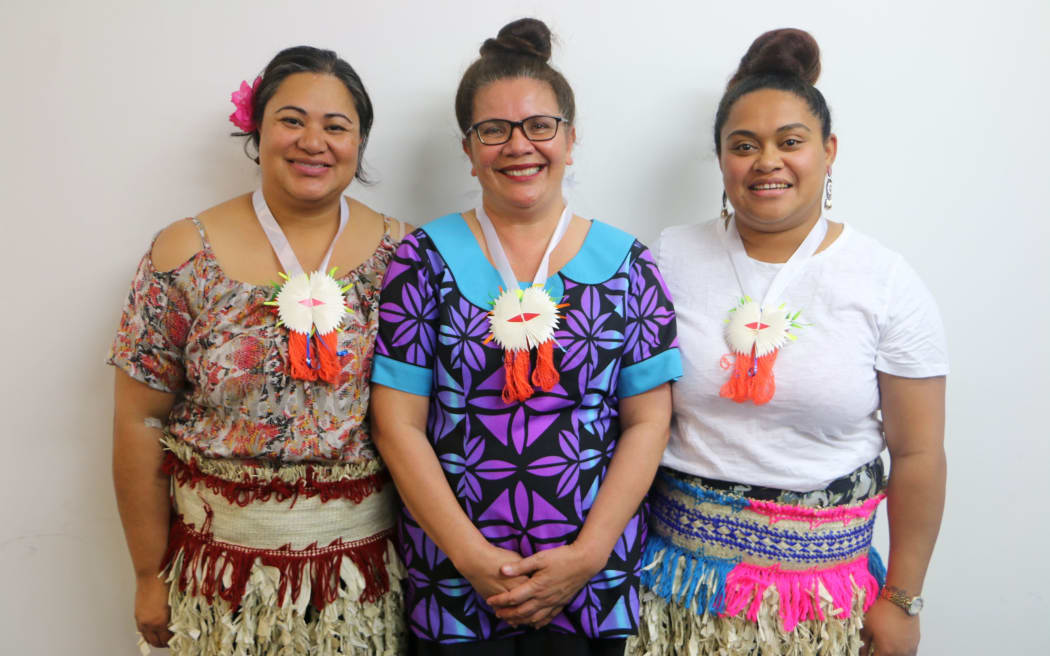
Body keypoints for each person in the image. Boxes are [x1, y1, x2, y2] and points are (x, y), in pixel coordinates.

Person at [630, 28, 948, 656]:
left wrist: (904, 601)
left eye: (790, 142)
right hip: (674, 591)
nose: (766, 161)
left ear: (828, 152)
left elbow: (919, 456)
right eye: (743, 145)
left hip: (824, 606)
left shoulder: (884, 281)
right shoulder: (666, 258)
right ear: (721, 158)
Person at [370, 18, 682, 656]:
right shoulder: (423, 259)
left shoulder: (628, 265)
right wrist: (472, 557)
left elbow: (649, 422)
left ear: (571, 137)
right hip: (456, 580)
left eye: (540, 126)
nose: (520, 146)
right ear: (468, 147)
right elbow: (397, 424)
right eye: (494, 130)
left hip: (590, 583)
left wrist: (587, 556)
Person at [109, 46, 407, 655]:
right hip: (215, 581)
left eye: (336, 126)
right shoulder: (184, 252)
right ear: (258, 128)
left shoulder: (402, 256)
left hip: (361, 580)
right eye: (292, 120)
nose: (312, 142)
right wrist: (146, 573)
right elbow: (139, 417)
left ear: (361, 142)